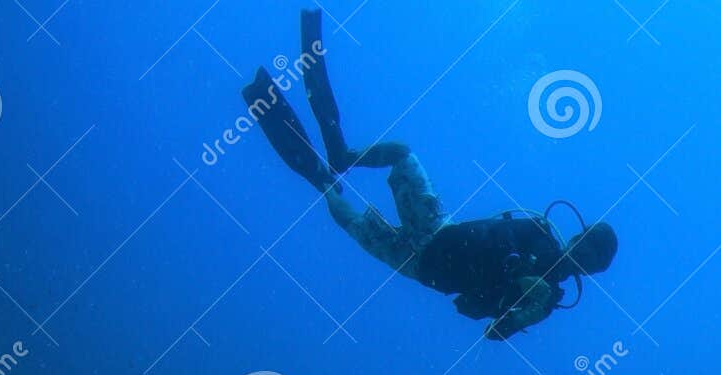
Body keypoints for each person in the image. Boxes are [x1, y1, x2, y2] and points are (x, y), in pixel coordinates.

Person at [241, 9, 618, 341]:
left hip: (429, 265)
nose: (582, 250)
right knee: (398, 162)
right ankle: (339, 162)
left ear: (593, 268)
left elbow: (506, 321)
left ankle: (327, 179)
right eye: (586, 240)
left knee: (359, 214)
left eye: (591, 254)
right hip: (436, 239)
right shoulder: (540, 235)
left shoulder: (546, 296)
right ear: (578, 233)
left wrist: (515, 315)